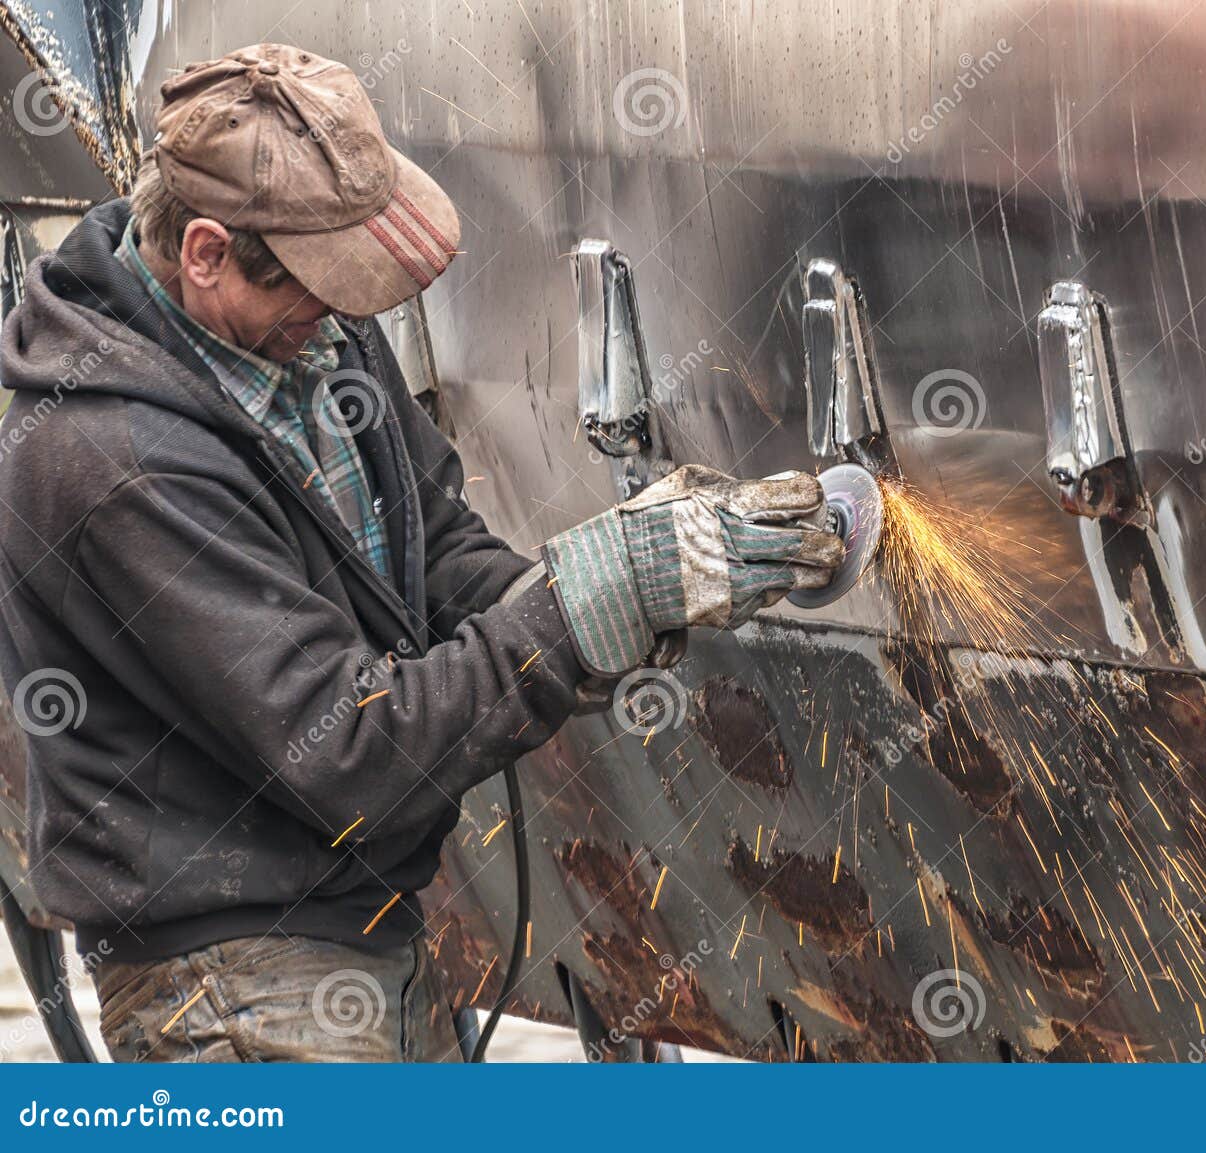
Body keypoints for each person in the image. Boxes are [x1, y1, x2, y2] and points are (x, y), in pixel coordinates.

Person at [0, 43, 841, 1062]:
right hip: (235, 985)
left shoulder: (301, 332)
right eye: (313, 291)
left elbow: (431, 548)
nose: (336, 324)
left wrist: (627, 581)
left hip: (366, 931)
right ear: (207, 252)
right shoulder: (109, 461)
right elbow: (346, 752)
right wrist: (575, 614)